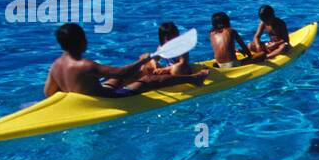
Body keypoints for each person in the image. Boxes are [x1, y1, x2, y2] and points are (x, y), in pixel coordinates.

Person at [44, 23, 207, 98]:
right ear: (81, 41)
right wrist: (144, 60)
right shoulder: (85, 65)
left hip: (95, 93)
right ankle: (195, 79)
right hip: (109, 99)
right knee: (149, 80)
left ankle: (142, 71)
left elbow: (49, 92)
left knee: (116, 78)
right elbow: (122, 72)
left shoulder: (56, 65)